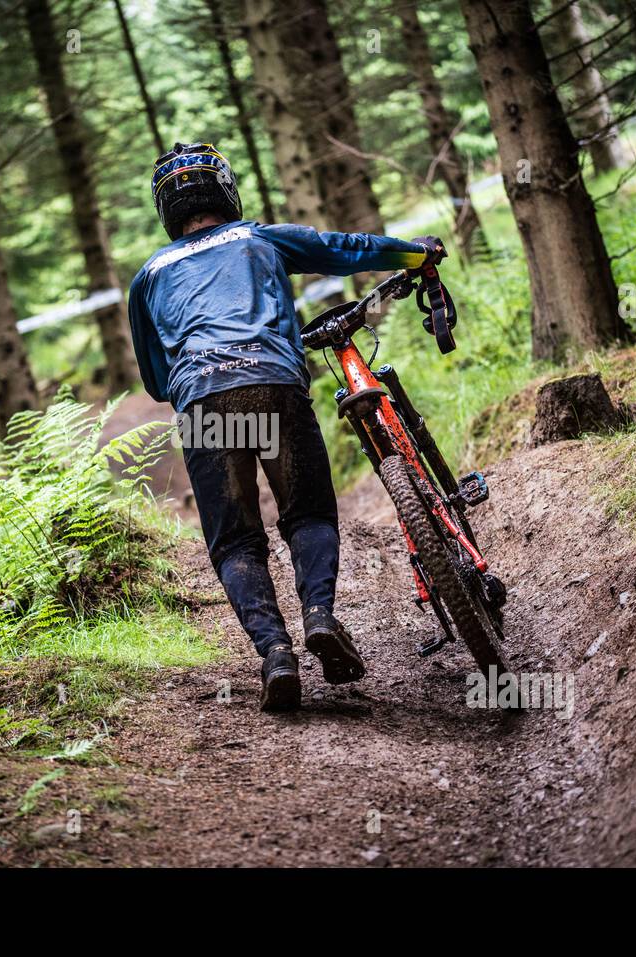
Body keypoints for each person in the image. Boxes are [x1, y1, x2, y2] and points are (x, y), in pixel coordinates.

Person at [126, 142, 445, 711]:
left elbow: (155, 379)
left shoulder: (148, 275)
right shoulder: (258, 237)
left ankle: (274, 653)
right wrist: (413, 256)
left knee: (235, 539)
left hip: (202, 402)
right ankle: (319, 616)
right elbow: (341, 249)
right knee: (308, 513)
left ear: (166, 210)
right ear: (225, 191)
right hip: (273, 384)